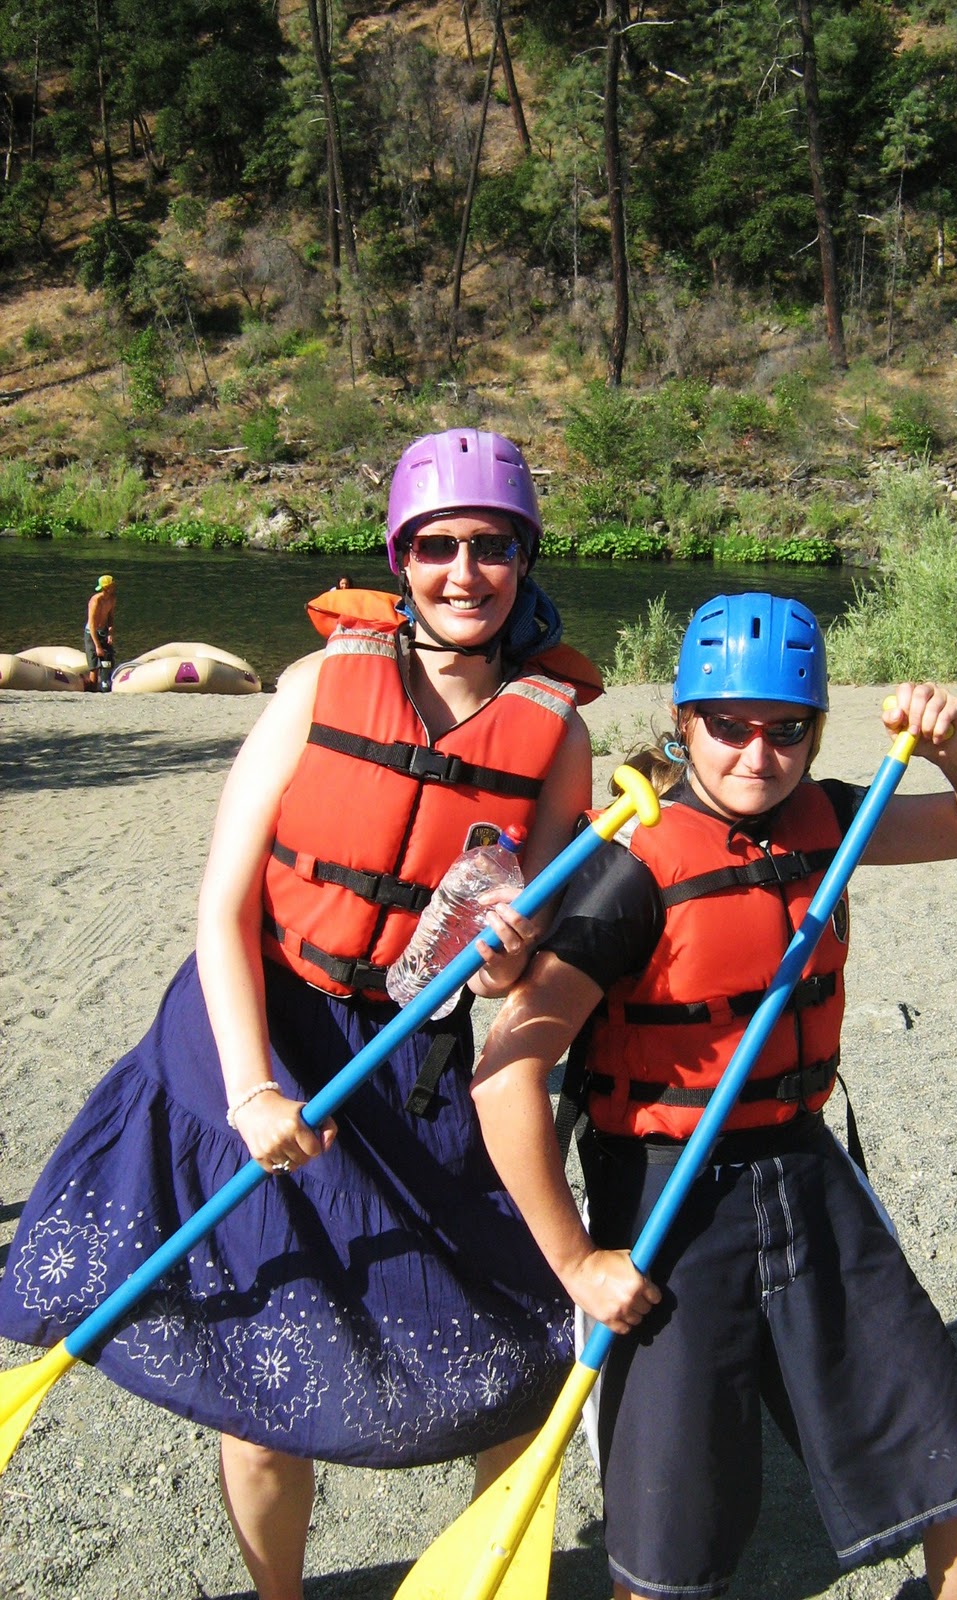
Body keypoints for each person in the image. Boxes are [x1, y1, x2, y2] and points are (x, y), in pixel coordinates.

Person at [0, 429, 594, 1600]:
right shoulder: (321, 684)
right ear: (400, 555)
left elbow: (521, 967)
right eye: (436, 547)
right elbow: (223, 907)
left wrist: (507, 962)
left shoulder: (554, 737)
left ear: (523, 558)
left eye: (490, 547)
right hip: (251, 1031)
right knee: (257, 1385)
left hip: (408, 1059)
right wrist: (250, 1088)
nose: (462, 572)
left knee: (533, 1354)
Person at [471, 592, 957, 1600]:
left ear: (816, 731)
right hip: (666, 1201)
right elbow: (504, 1069)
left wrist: (952, 750)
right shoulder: (630, 874)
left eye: (787, 730)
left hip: (805, 1169)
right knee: (663, 1570)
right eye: (727, 725)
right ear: (683, 722)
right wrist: (577, 1262)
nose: (755, 755)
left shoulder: (831, 819)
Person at [84, 572, 116, 691]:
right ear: (107, 587)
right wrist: (97, 646)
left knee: (108, 660)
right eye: (112, 585)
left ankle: (105, 686)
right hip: (92, 633)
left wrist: (110, 633)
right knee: (94, 666)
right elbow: (92, 625)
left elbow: (111, 617)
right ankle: (92, 689)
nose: (115, 587)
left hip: (103, 632)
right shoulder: (96, 601)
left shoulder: (112, 599)